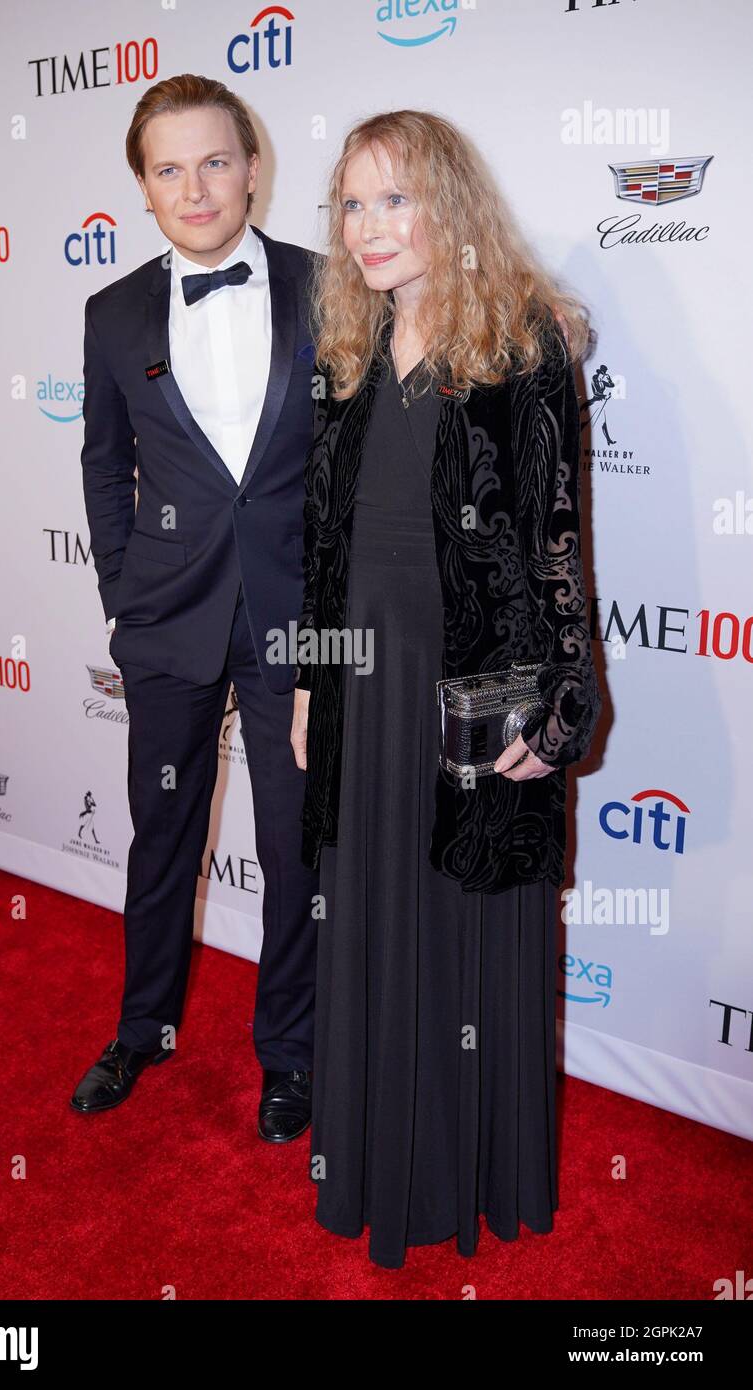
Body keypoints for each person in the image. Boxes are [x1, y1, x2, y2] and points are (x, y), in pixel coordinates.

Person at [290, 110, 602, 1267]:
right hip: (362, 683)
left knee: (462, 918)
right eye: (351, 204)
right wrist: (311, 688)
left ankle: (459, 1169)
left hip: (469, 688)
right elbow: (321, 548)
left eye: (394, 200)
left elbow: (556, 542)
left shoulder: (522, 338)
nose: (368, 228)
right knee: (367, 915)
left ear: (450, 206)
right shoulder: (346, 348)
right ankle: (373, 1153)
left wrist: (558, 701)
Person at [73, 74, 321, 1143]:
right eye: (167, 168)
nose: (195, 185)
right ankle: (143, 1030)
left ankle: (292, 1059)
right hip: (166, 622)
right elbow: (102, 463)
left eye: (214, 160)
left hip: (299, 623)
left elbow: (355, 476)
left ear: (253, 167)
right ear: (142, 189)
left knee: (298, 849)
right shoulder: (112, 309)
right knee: (160, 836)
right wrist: (124, 592)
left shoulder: (330, 287)